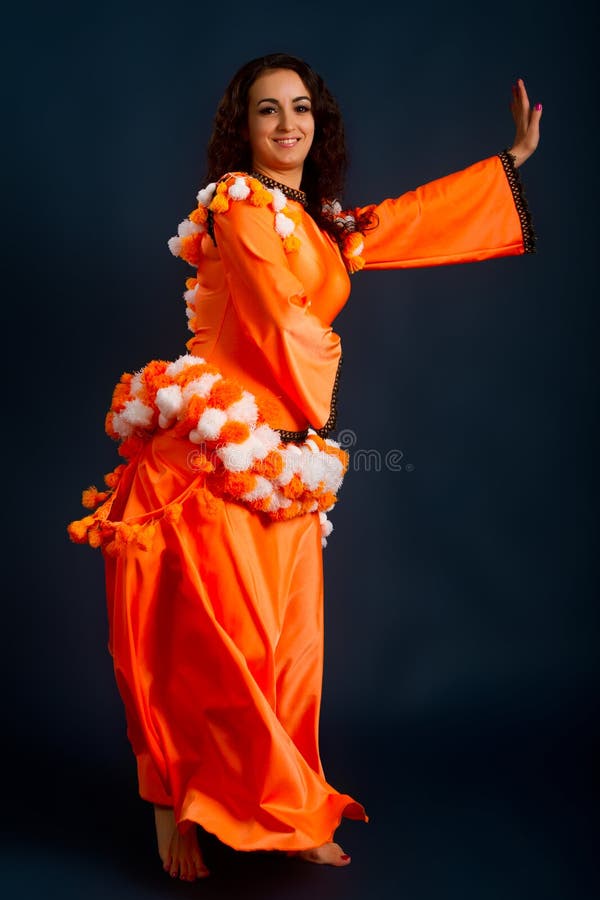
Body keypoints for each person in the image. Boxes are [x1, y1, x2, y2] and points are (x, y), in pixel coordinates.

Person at [68, 53, 542, 882]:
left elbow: (394, 226)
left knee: (290, 650)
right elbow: (274, 320)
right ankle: (173, 802)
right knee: (216, 649)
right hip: (215, 457)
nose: (287, 125)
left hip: (280, 458)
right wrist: (307, 398)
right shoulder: (241, 210)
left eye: (300, 110)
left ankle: (289, 805)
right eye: (267, 111)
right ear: (241, 128)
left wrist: (507, 168)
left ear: (316, 124)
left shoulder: (312, 219)